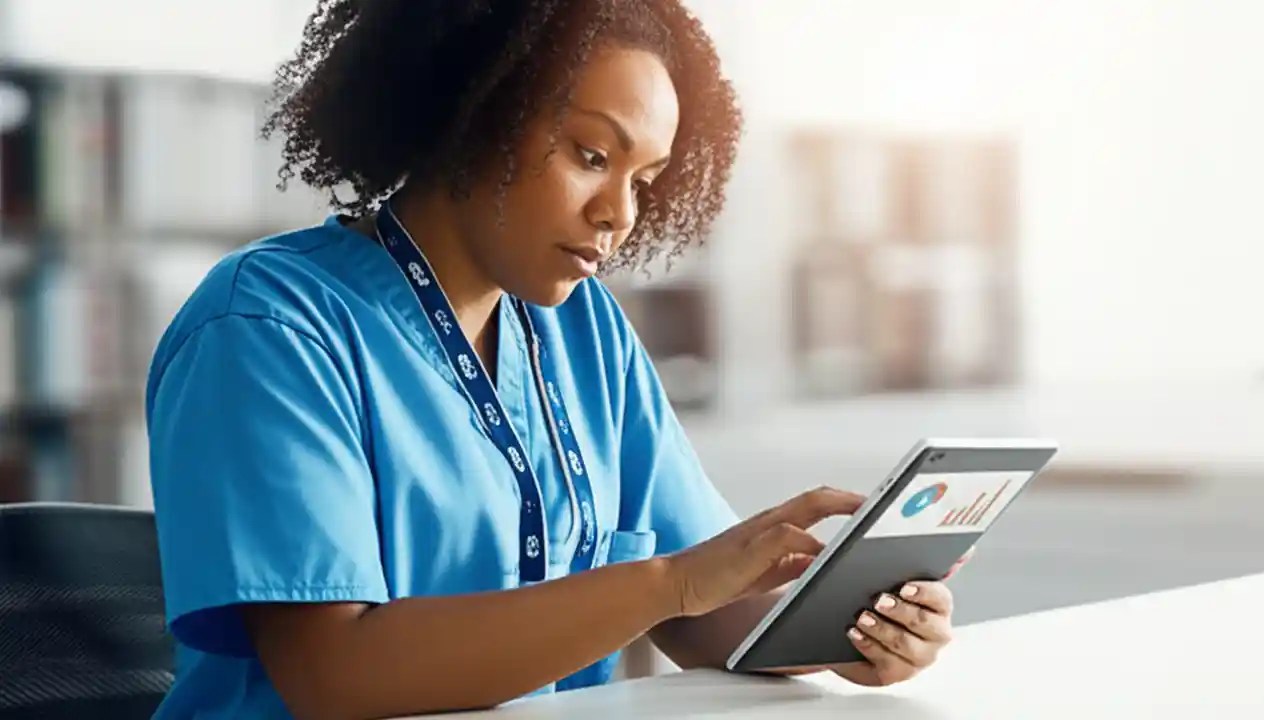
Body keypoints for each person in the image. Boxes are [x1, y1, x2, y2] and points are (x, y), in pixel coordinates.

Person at [146, 1, 961, 718]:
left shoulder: (586, 334)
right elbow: (334, 674)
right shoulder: (267, 326)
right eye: (591, 156)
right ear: (472, 111)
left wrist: (847, 631)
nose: (619, 215)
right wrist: (668, 582)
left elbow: (703, 614)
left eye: (646, 180)